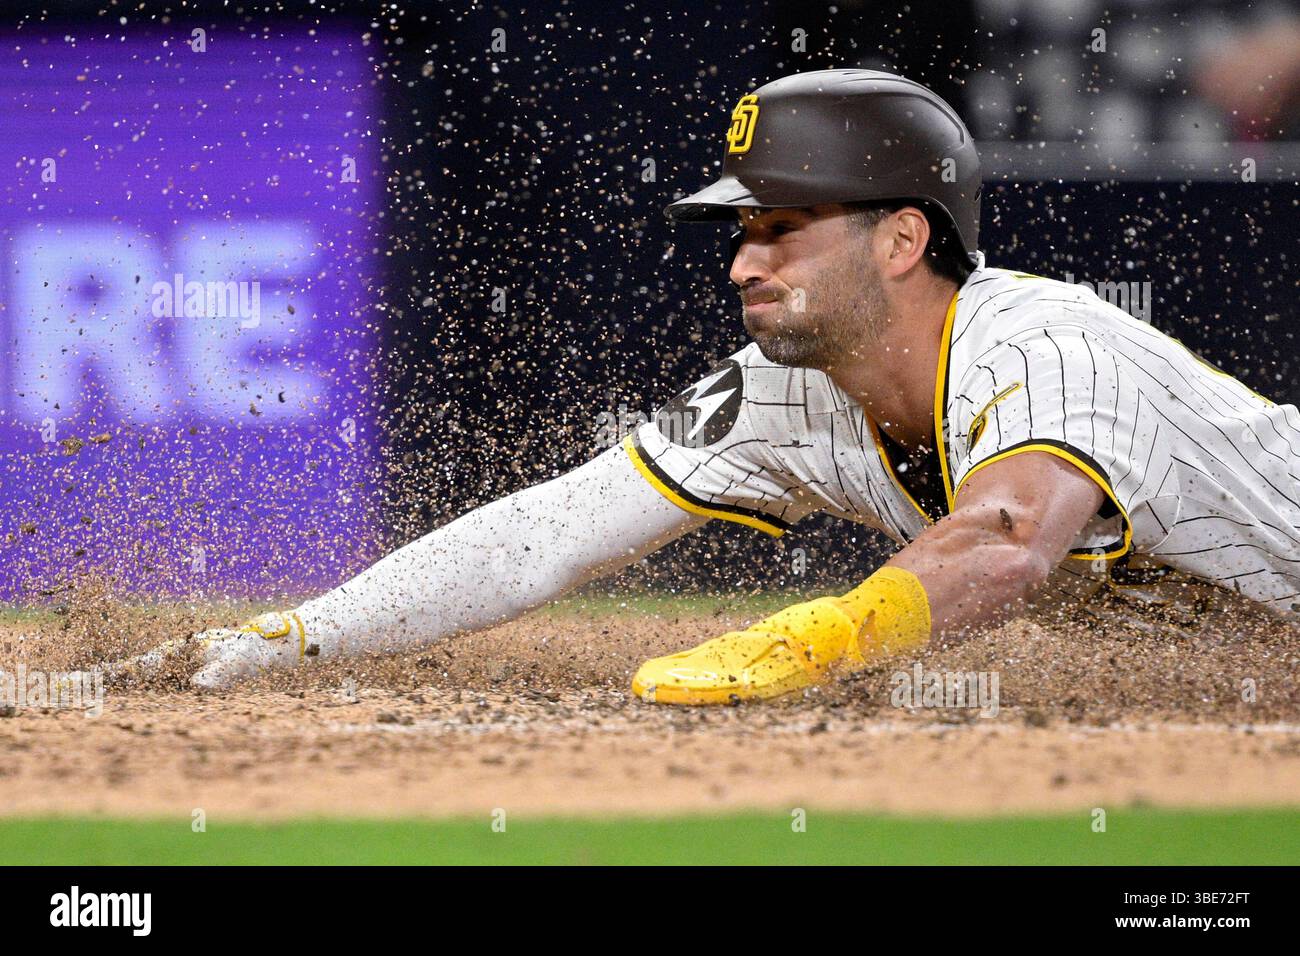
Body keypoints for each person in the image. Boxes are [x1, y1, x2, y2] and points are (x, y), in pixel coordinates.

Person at [114, 70, 1300, 704]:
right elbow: (553, 530)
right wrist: (298, 635)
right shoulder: (788, 389)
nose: (741, 260)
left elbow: (1002, 542)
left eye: (780, 226)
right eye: (738, 230)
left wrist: (821, 636)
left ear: (899, 239)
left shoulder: (1045, 348)